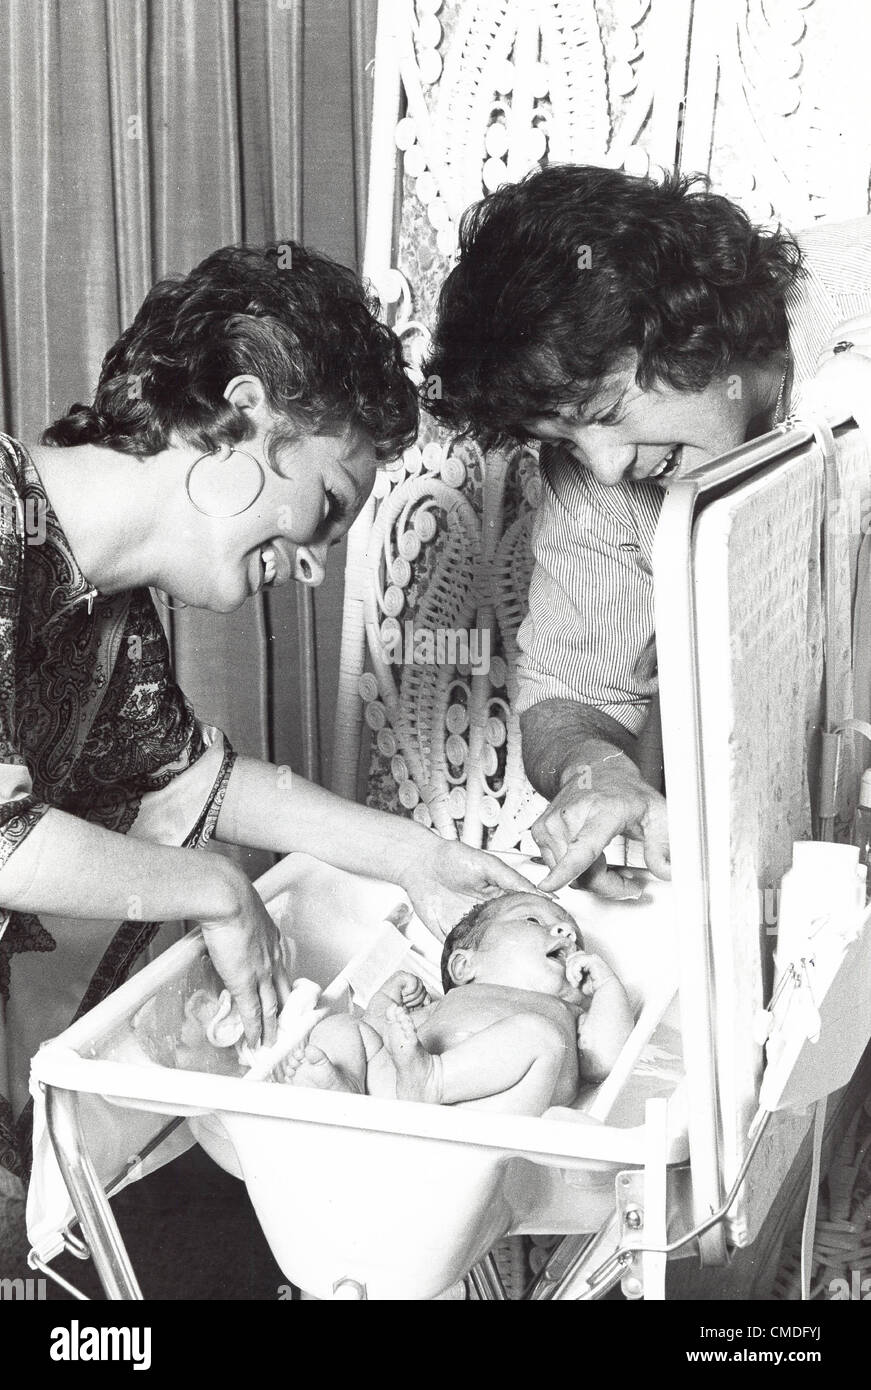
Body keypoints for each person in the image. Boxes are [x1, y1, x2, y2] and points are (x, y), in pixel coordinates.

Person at [0, 241, 534, 1231]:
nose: (316, 568)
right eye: (325, 508)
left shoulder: (97, 599)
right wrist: (218, 890)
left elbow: (186, 779)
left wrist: (418, 856)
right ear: (243, 420)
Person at [422, 165, 871, 897]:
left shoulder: (857, 292)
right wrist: (590, 770)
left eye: (604, 415)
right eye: (564, 441)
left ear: (684, 322)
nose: (603, 468)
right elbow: (571, 693)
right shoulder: (602, 482)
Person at [284, 890, 634, 1112]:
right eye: (533, 920)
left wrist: (605, 987)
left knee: (540, 1036)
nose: (565, 933)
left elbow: (605, 1060)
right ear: (465, 965)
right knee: (343, 1028)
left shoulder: (565, 1012)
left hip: (481, 1113)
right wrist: (386, 1001)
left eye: (574, 937)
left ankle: (435, 1080)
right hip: (395, 1093)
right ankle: (343, 1094)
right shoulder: (444, 1007)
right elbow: (379, 1034)